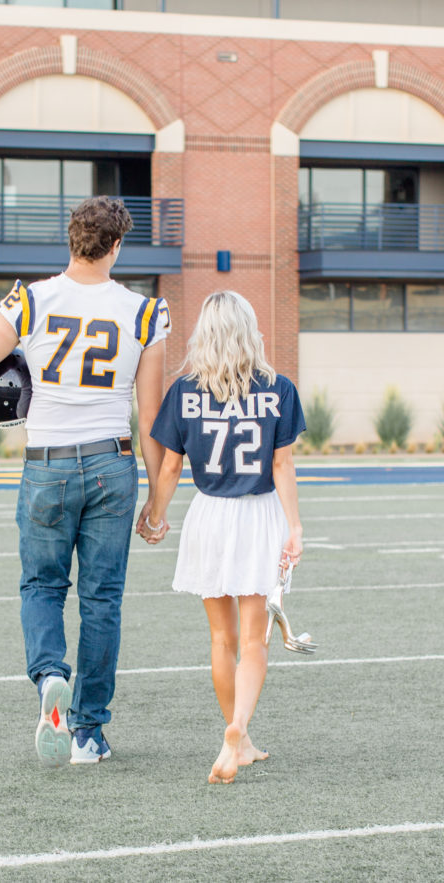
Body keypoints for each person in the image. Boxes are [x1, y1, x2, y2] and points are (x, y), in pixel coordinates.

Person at [0, 196, 169, 767]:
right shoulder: (145, 312)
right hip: (111, 462)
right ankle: (87, 733)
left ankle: (50, 673)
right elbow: (151, 417)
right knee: (102, 600)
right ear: (116, 246)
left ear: (71, 241)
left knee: (43, 587)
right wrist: (158, 498)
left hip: (47, 461)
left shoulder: (30, 300)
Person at [140, 290, 305, 784]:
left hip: (208, 515)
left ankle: (237, 732)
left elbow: (171, 467)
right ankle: (239, 730)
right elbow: (281, 465)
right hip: (258, 515)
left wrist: (155, 515)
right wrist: (295, 526)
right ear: (249, 330)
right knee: (255, 640)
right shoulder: (279, 388)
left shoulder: (184, 391)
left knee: (221, 638)